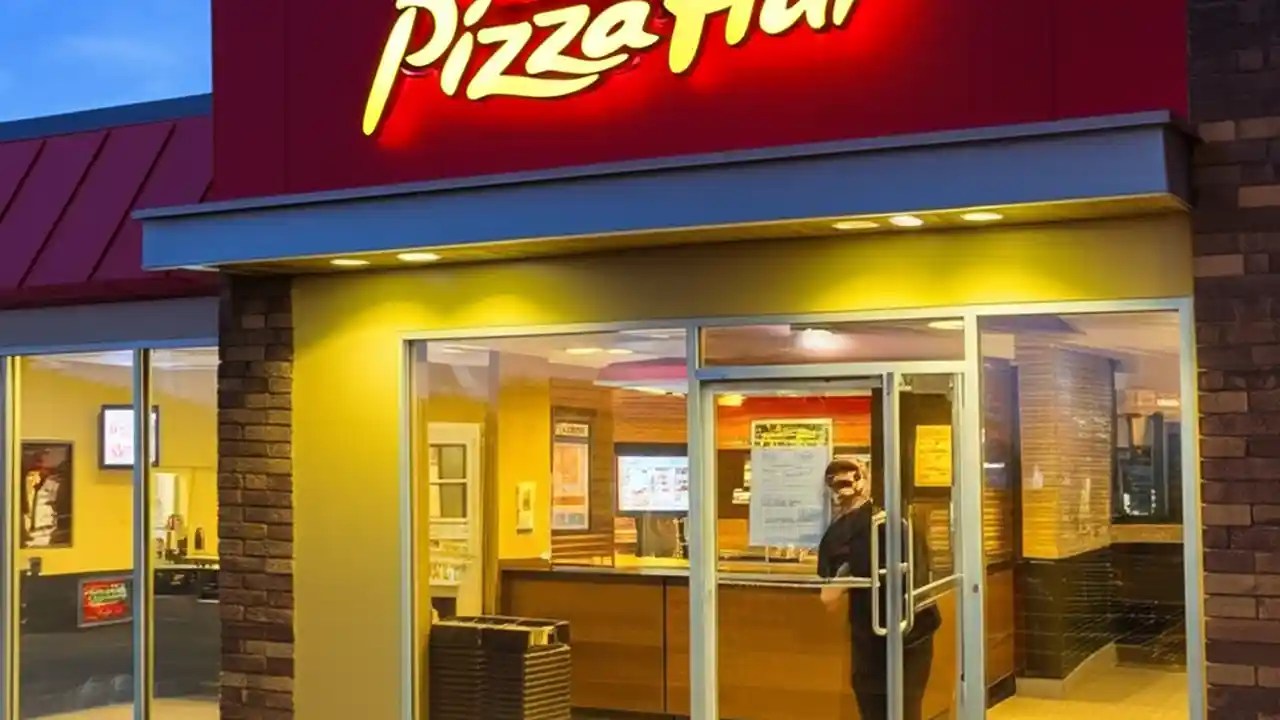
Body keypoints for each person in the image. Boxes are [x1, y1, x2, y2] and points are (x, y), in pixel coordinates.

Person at [817, 458, 940, 720]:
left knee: (878, 709)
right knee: (904, 709)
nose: (842, 490)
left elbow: (829, 596)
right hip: (911, 630)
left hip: (877, 635)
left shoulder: (843, 532)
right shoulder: (901, 518)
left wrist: (847, 574)